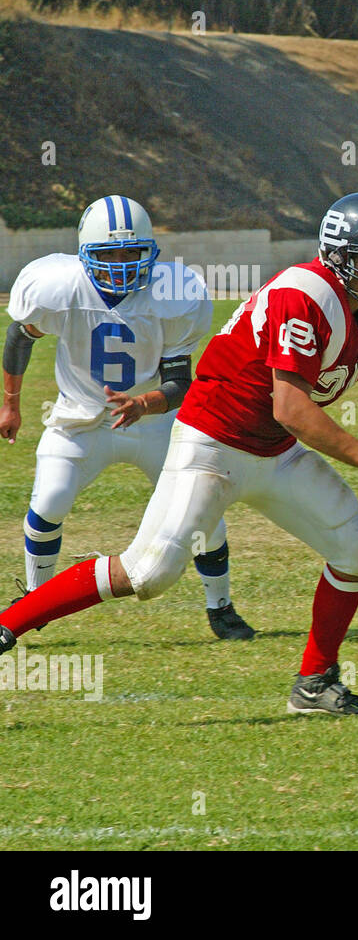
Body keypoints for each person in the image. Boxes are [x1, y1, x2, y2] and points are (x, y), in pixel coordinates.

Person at [0, 192, 358, 714]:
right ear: (337, 256)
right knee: (146, 574)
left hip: (274, 450)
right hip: (212, 443)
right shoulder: (303, 294)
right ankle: (6, 625)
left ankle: (315, 685)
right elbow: (291, 406)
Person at [1, 195, 250, 640]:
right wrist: (10, 403)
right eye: (108, 254)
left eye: (131, 252)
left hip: (152, 422)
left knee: (204, 513)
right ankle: (36, 603)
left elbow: (180, 381)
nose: (120, 263)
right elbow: (20, 337)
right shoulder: (57, 287)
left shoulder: (174, 293)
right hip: (79, 419)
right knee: (49, 502)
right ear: (84, 255)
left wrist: (144, 403)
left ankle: (221, 605)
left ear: (150, 251)